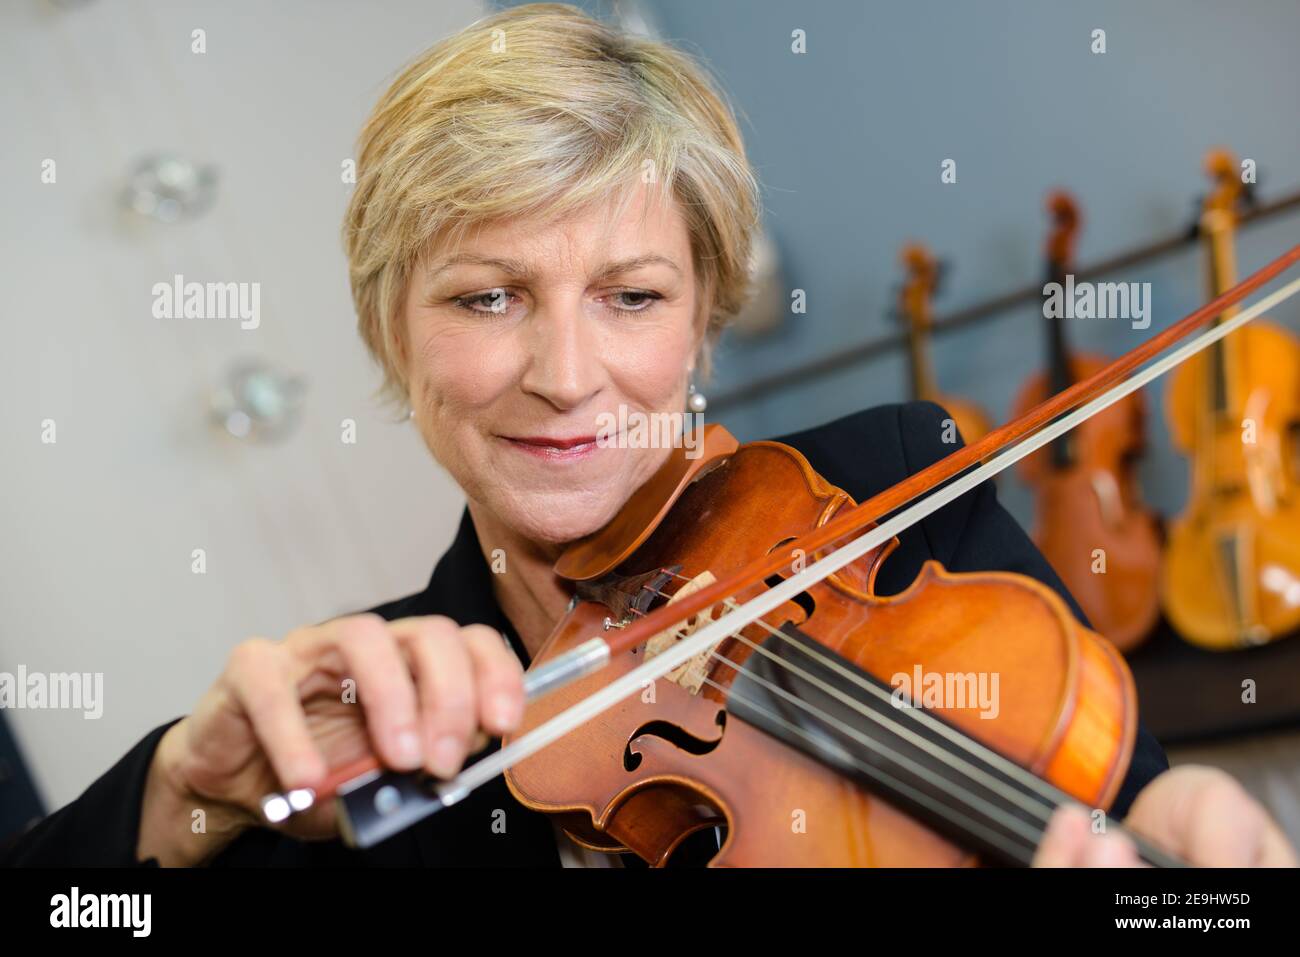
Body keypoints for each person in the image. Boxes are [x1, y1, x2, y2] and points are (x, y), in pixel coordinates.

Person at [3, 2, 1293, 869]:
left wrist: (1175, 841)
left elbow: (1121, 798)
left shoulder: (892, 484)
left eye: (631, 296)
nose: (568, 376)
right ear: (387, 331)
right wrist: (180, 797)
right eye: (487, 296)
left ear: (703, 325)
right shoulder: (367, 736)